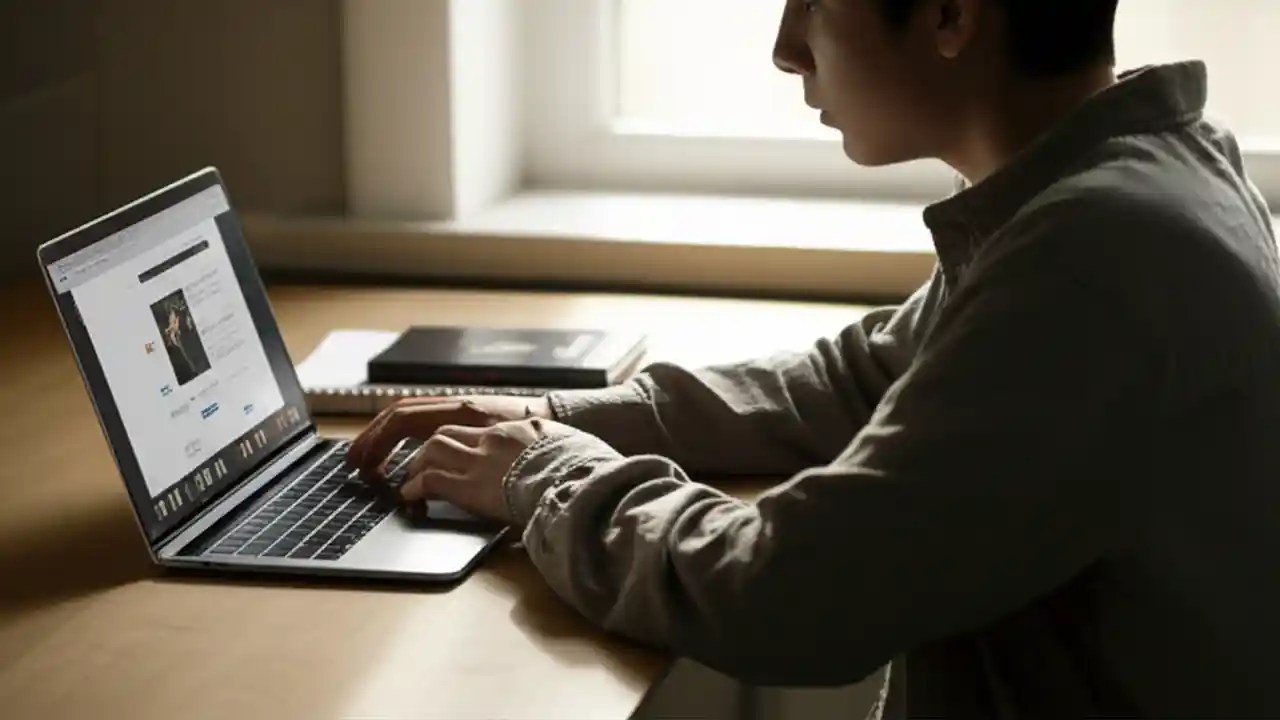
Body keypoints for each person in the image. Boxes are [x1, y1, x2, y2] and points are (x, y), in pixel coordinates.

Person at [348, 0, 1280, 716]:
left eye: (814, 4)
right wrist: (551, 420)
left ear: (950, 15)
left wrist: (544, 477)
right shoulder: (1121, 178)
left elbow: (784, 595)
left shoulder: (1096, 257)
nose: (785, 48)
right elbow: (857, 381)